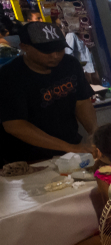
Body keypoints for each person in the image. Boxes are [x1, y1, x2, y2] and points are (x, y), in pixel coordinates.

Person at [0, 22, 96, 163]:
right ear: (24, 47)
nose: (55, 55)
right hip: (29, 159)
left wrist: (94, 133)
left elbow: (81, 102)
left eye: (59, 49)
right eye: (47, 51)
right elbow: (15, 125)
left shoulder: (70, 64)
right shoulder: (9, 76)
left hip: (71, 148)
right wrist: (71, 148)